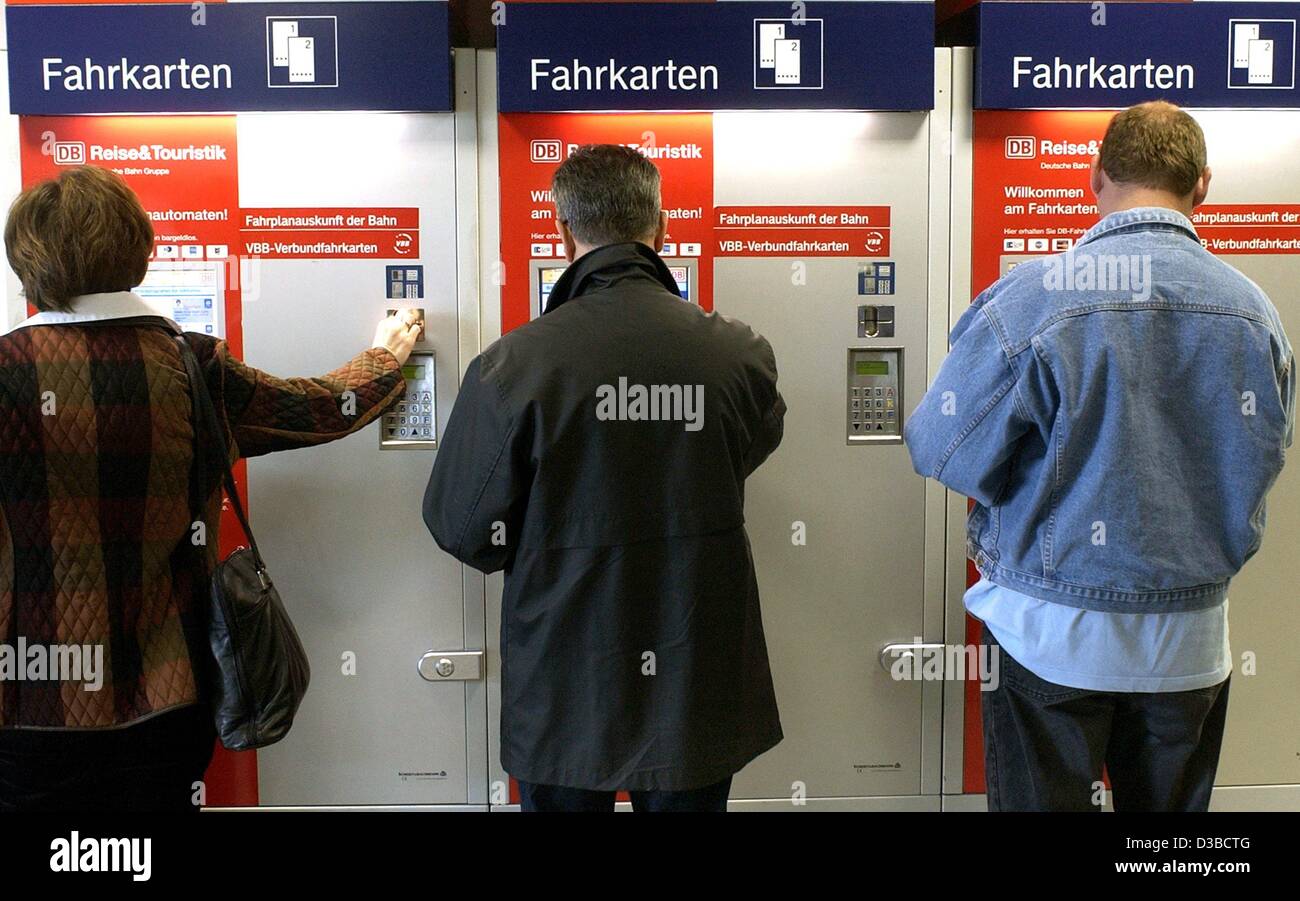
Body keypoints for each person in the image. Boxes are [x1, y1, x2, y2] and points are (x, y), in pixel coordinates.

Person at [906, 101, 1295, 812]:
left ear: (1094, 178)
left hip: (1047, 636)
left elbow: (939, 446)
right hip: (1189, 644)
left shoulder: (1030, 299)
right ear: (1203, 185)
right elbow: (1260, 456)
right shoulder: (1254, 313)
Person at [0, 165, 423, 811]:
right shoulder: (191, 365)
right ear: (139, 250)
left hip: (26, 703)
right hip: (166, 698)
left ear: (25, 261)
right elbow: (317, 411)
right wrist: (387, 358)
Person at [424, 144, 785, 812]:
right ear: (663, 226)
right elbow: (748, 450)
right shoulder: (740, 353)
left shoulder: (513, 364)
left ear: (562, 232)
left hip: (565, 682)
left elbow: (462, 526)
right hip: (695, 673)